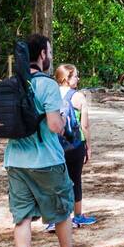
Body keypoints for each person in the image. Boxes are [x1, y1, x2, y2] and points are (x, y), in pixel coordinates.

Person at [6, 34, 89, 247]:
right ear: (42, 54)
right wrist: (65, 128)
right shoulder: (46, 85)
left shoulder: (12, 83)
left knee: (21, 217)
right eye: (49, 51)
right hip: (46, 159)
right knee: (62, 210)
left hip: (15, 159)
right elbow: (54, 125)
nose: (50, 56)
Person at [46, 64, 95, 230]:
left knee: (56, 180)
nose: (78, 79)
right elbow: (85, 126)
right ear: (66, 79)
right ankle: (77, 216)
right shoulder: (79, 97)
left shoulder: (50, 95)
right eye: (75, 76)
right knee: (75, 180)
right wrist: (88, 146)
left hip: (54, 145)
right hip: (75, 145)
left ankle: (54, 218)